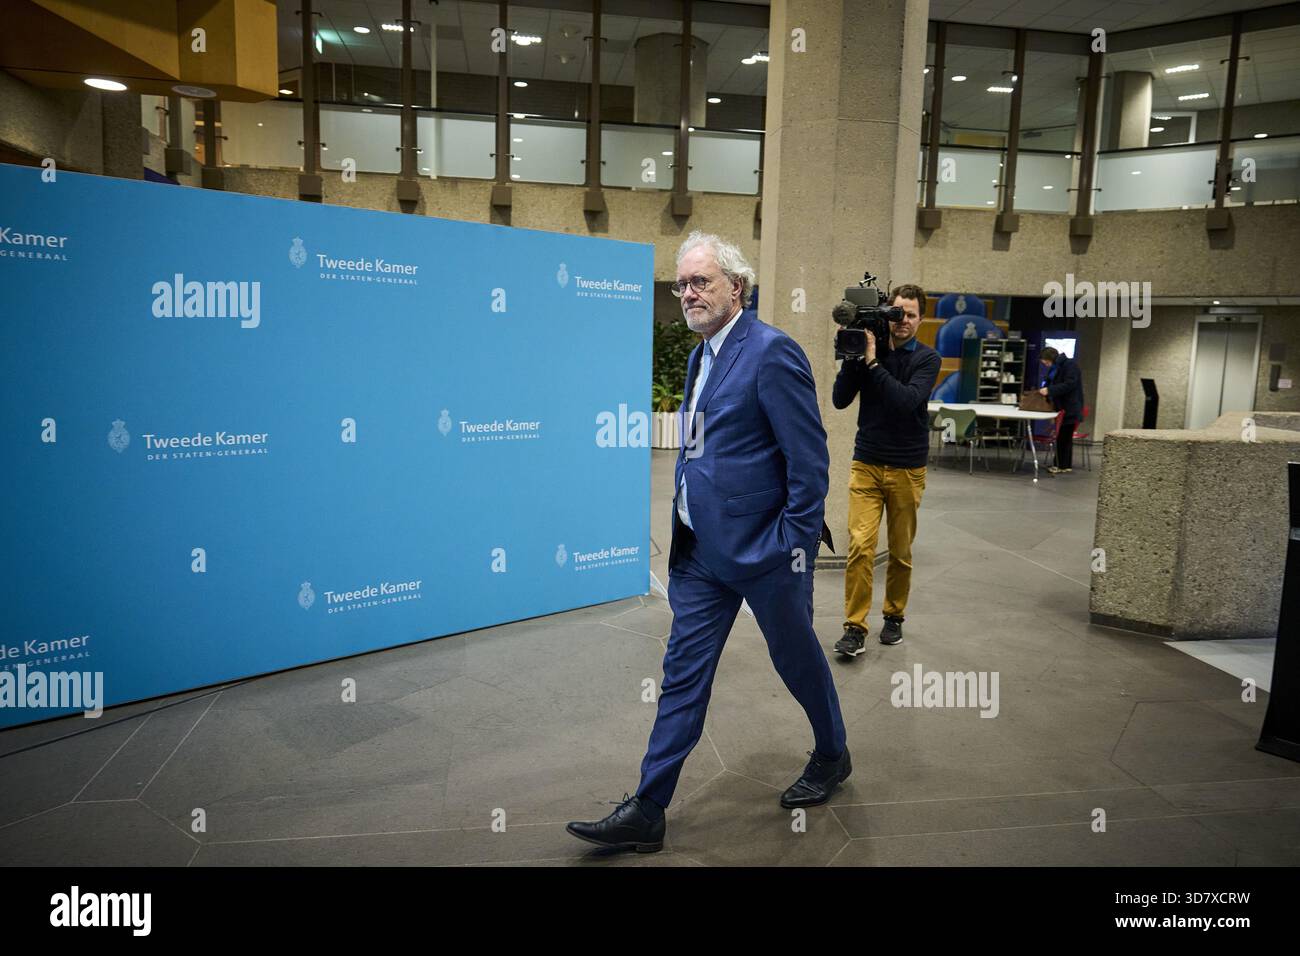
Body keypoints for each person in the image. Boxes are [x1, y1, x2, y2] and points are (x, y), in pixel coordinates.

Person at [566, 232, 849, 853]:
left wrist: (789, 543)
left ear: (736, 289)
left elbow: (810, 461)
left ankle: (832, 753)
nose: (689, 293)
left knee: (795, 659)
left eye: (702, 282)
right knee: (682, 676)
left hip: (766, 553)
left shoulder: (772, 353)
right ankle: (648, 807)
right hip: (698, 554)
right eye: (683, 283)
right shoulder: (701, 354)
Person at [831, 285, 940, 655]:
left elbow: (905, 402)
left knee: (900, 550)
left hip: (908, 468)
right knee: (860, 546)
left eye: (910, 314)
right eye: (896, 313)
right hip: (867, 463)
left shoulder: (927, 359)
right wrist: (852, 358)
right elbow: (840, 400)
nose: (902, 321)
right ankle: (855, 627)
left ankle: (893, 616)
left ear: (920, 319)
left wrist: (874, 363)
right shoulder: (867, 351)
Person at [1037, 346, 1084, 474]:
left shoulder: (1070, 366)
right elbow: (1049, 382)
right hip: (1061, 407)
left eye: (1046, 362)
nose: (1045, 365)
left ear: (1051, 358)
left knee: (1064, 437)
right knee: (1063, 437)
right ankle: (1062, 464)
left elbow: (1069, 385)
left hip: (1070, 407)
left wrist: (1050, 390)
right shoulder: (1055, 368)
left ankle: (1061, 465)